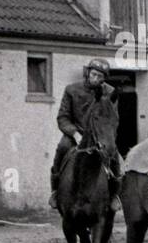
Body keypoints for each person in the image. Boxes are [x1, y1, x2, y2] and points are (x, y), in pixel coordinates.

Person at [50, 57, 122, 211]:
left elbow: (112, 118)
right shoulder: (71, 90)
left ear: (104, 79)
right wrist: (74, 133)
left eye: (100, 76)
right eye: (94, 74)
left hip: (99, 136)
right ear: (88, 73)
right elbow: (62, 117)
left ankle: (114, 194)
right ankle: (56, 191)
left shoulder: (109, 92)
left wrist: (107, 138)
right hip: (76, 134)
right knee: (62, 148)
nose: (95, 78)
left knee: (114, 155)